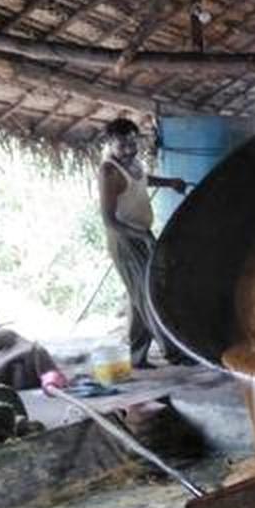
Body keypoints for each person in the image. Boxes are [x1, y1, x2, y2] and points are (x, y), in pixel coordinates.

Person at [98, 118, 188, 368]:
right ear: (109, 144)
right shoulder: (109, 171)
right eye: (121, 145)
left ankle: (137, 357)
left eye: (131, 143)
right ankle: (174, 352)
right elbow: (108, 220)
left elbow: (141, 180)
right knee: (151, 295)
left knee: (140, 296)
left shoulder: (133, 163)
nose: (128, 149)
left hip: (141, 235)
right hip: (125, 241)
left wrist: (170, 183)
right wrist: (142, 236)